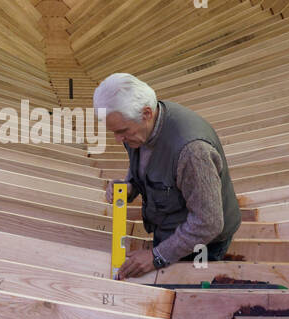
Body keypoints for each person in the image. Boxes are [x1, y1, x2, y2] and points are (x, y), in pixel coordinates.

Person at [93, 73, 240, 279]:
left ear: (146, 113)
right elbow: (150, 168)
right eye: (114, 132)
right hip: (171, 228)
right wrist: (130, 186)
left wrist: (157, 256)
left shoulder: (192, 151)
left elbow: (208, 223)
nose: (118, 140)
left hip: (203, 244)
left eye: (122, 131)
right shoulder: (142, 126)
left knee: (185, 294)